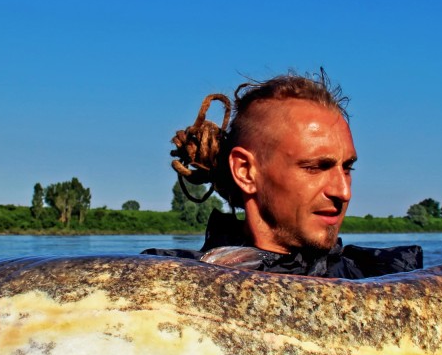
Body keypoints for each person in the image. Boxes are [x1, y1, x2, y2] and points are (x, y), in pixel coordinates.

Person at [143, 70, 422, 278]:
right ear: (245, 171)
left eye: (347, 167)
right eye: (315, 167)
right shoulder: (163, 281)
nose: (343, 191)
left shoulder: (388, 276)